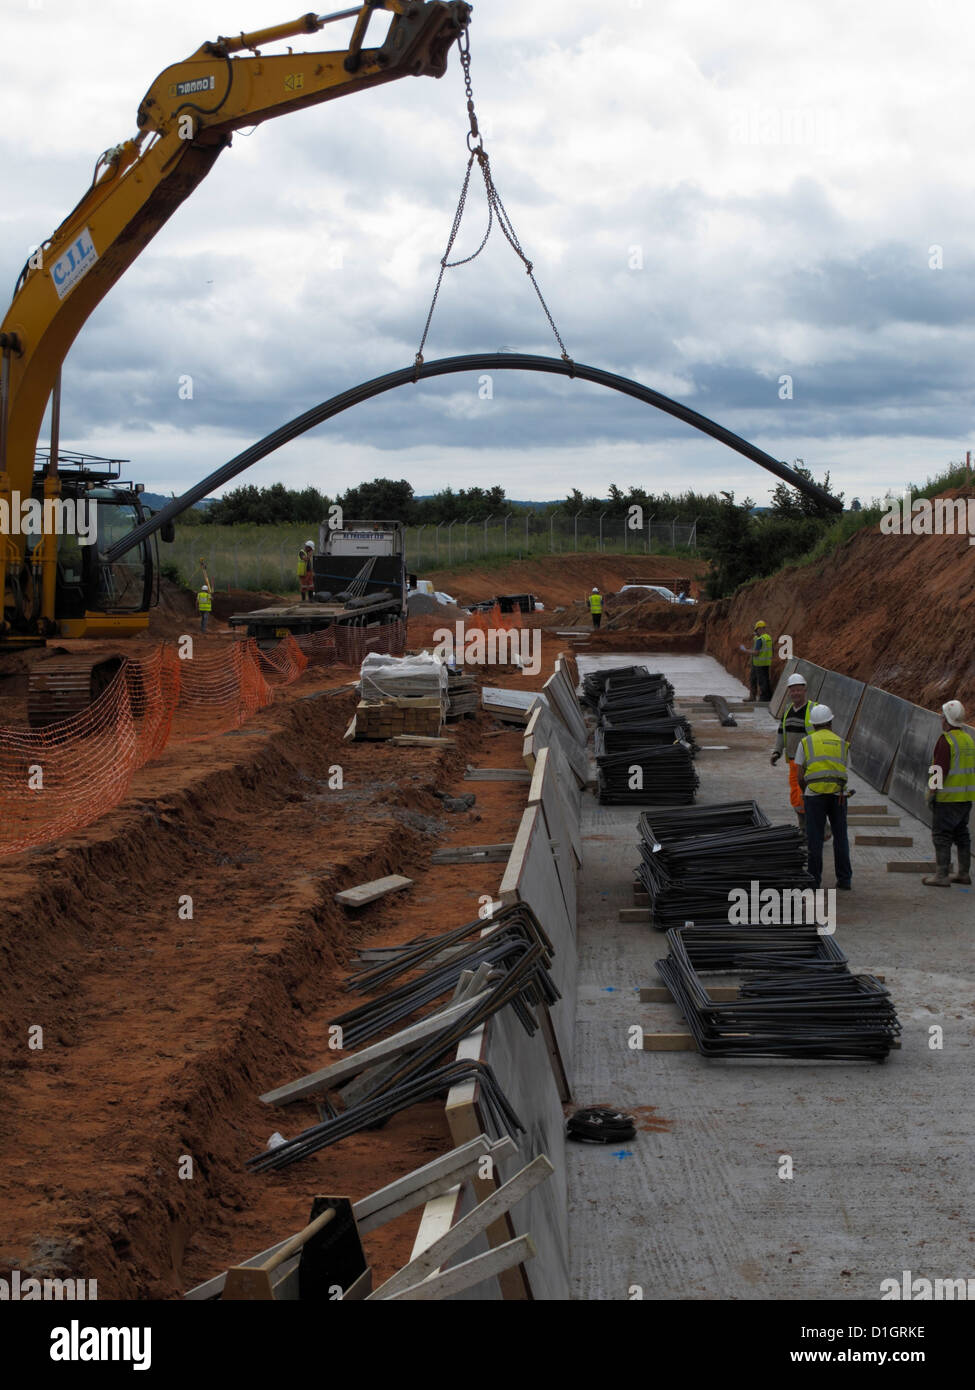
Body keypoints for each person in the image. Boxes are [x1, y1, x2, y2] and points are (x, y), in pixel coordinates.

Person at [795, 703, 852, 891]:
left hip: (814, 796)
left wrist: (807, 790)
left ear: (813, 725)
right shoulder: (842, 743)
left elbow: (799, 775)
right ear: (830, 722)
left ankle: (814, 882)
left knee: (815, 839)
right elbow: (845, 769)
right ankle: (844, 880)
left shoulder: (806, 742)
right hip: (839, 795)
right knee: (841, 838)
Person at [922, 699, 974, 887]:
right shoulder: (968, 739)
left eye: (942, 716)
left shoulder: (946, 740)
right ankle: (963, 873)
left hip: (948, 799)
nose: (940, 719)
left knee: (941, 835)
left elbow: (939, 769)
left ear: (946, 720)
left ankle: (942, 875)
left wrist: (931, 792)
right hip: (966, 798)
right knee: (962, 834)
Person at [770, 673, 817, 834]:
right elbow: (781, 732)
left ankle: (812, 828)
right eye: (793, 690)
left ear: (805, 690)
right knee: (795, 796)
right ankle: (805, 825)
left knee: (806, 796)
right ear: (789, 692)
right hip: (792, 761)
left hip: (808, 763)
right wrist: (777, 751)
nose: (796, 693)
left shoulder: (813, 709)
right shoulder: (788, 710)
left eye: (799, 690)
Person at [739, 620, 773, 702]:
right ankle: (761, 697)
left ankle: (762, 698)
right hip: (765, 663)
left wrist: (746, 650)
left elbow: (756, 652)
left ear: (760, 629)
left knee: (760, 681)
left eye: (757, 629)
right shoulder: (767, 637)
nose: (756, 631)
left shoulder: (760, 639)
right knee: (762, 680)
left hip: (759, 663)